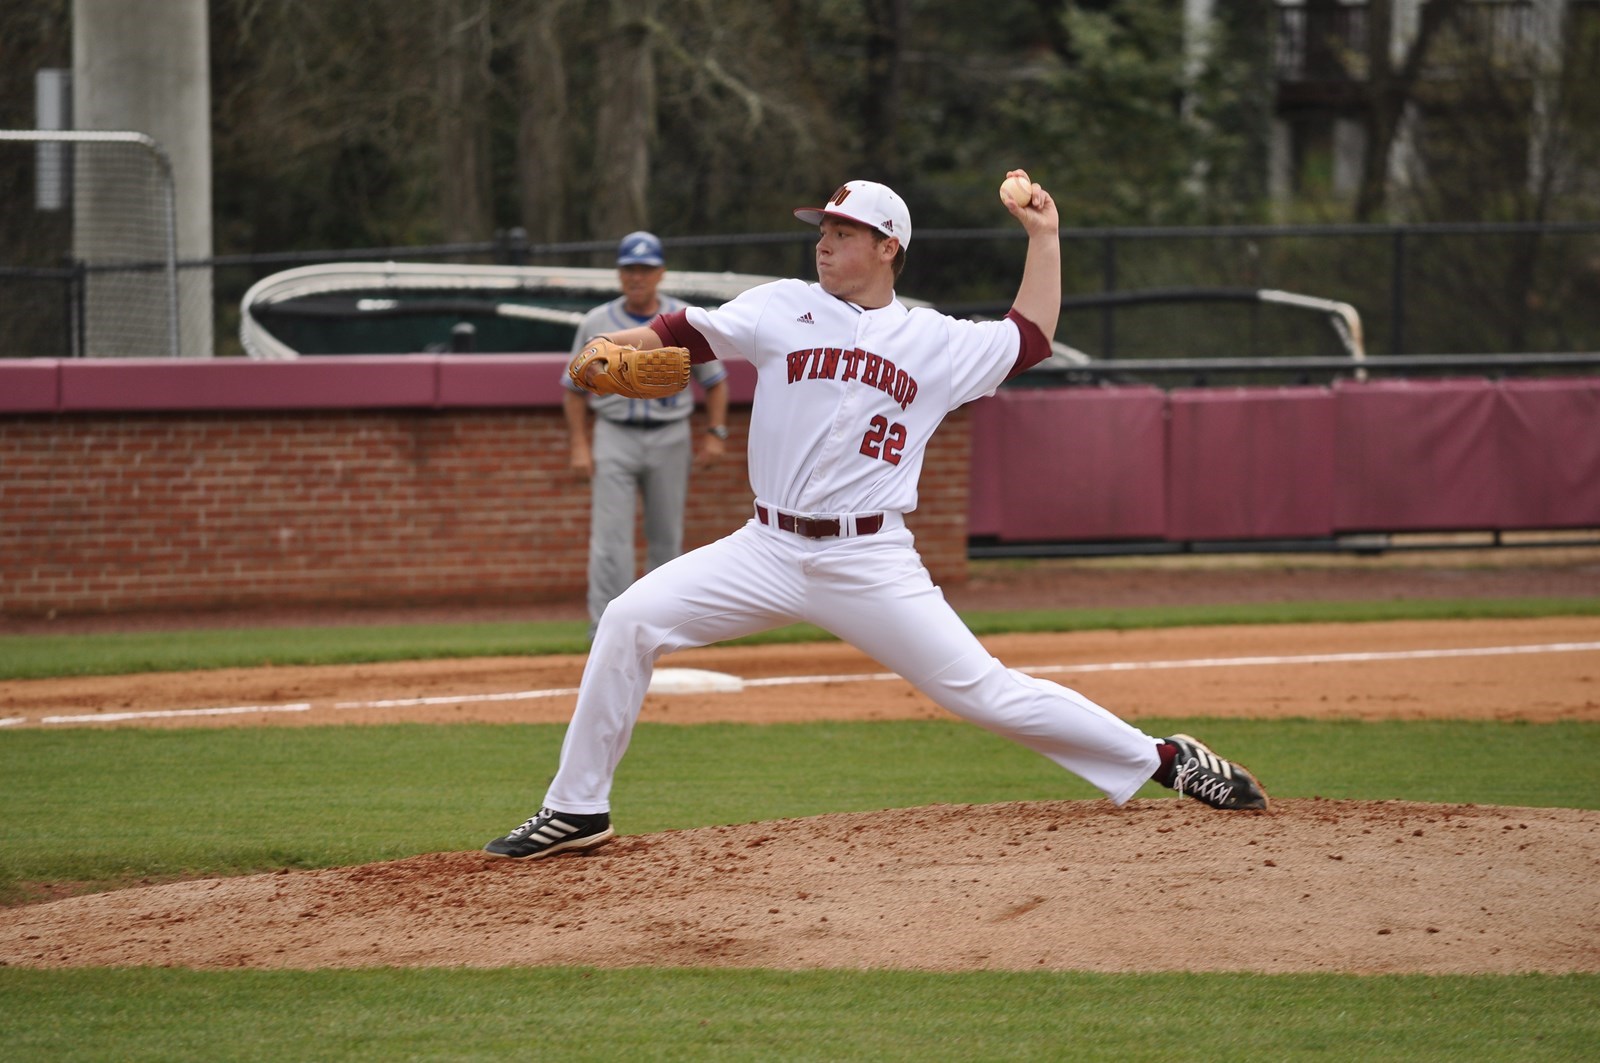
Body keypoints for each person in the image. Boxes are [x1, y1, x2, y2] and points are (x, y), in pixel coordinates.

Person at [487, 173, 1267, 860]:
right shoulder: (780, 307)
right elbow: (679, 332)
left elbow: (1029, 338)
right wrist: (607, 345)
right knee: (629, 619)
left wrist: (1044, 236)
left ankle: (1167, 759)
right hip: (765, 546)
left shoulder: (932, 340)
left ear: (888, 246)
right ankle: (576, 806)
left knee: (982, 691)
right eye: (822, 230)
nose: (823, 244)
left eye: (842, 232)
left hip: (870, 559)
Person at [563, 231, 730, 637]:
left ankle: (660, 626)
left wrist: (716, 433)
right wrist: (580, 443)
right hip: (614, 433)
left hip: (670, 434)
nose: (637, 277)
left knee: (665, 538)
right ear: (620, 275)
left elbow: (716, 381)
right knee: (610, 540)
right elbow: (572, 387)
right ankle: (604, 628)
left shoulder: (682, 318)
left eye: (645, 269)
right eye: (629, 269)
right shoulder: (597, 322)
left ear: (660, 273)